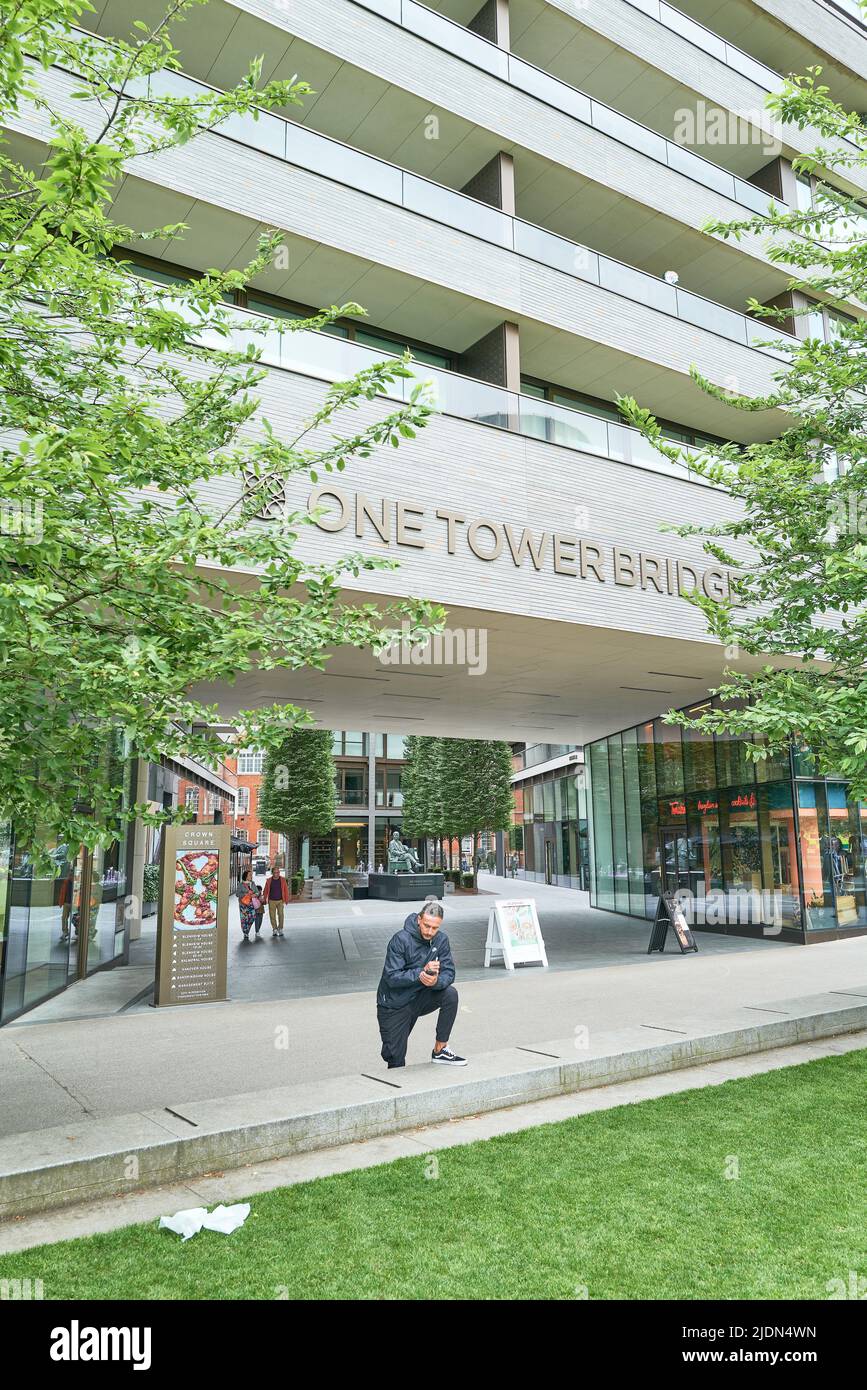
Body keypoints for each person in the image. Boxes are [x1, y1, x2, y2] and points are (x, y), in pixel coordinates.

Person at [376, 899, 467, 1069]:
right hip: (395, 1004)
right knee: (394, 1058)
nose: (430, 931)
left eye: (435, 928)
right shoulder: (400, 939)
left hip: (421, 997)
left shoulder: (441, 940)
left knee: (450, 994)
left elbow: (449, 973)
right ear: (419, 920)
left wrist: (435, 981)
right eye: (427, 926)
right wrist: (420, 973)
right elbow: (391, 977)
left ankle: (440, 1049)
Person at [265, 864, 289, 937]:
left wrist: (286, 899)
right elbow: (265, 890)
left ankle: (280, 928)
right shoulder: (269, 881)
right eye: (275, 872)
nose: (277, 874)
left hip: (280, 900)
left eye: (278, 872)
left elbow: (286, 890)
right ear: (272, 873)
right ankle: (274, 929)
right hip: (271, 901)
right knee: (272, 916)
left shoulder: (283, 880)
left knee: (281, 915)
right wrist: (264, 898)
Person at [236, 869, 259, 941]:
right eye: (250, 875)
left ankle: (247, 929)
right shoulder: (241, 884)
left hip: (251, 904)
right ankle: (245, 932)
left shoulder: (253, 883)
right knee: (244, 919)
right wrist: (245, 894)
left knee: (253, 917)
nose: (251, 876)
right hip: (243, 905)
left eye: (251, 875)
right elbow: (237, 894)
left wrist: (254, 895)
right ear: (246, 876)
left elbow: (257, 892)